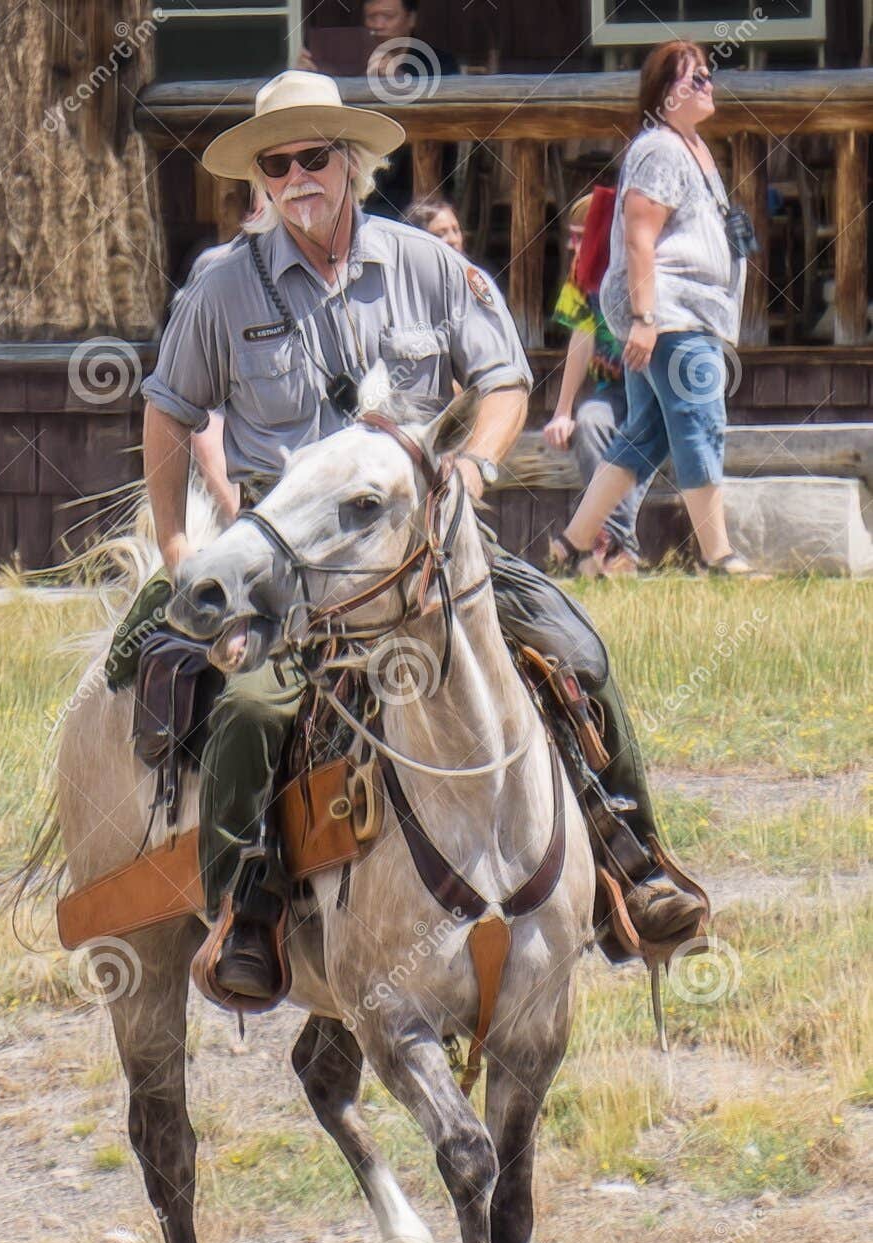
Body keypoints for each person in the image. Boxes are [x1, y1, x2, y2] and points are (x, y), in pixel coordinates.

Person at [114, 71, 707, 1004]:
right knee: (255, 710)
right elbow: (165, 413)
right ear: (260, 180)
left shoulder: (427, 264)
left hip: (430, 539)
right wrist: (178, 546)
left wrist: (472, 465)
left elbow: (505, 381)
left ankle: (633, 867)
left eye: (316, 155)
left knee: (574, 649)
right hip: (294, 560)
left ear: (350, 162)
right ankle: (247, 912)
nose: (299, 175)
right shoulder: (221, 288)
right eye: (279, 163)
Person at [548, 40, 752, 577]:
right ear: (664, 96)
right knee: (699, 420)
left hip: (682, 314)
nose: (708, 85)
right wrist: (644, 318)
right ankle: (717, 555)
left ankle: (570, 545)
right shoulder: (661, 148)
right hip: (672, 315)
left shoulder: (691, 147)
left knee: (645, 433)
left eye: (708, 75)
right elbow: (640, 235)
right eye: (694, 79)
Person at [544, 190, 645, 577]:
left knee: (637, 436)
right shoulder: (579, 276)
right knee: (590, 423)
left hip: (653, 390)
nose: (572, 246)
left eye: (579, 236)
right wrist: (563, 410)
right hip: (613, 390)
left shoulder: (631, 268)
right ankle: (619, 548)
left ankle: (604, 546)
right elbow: (581, 337)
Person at [299, 1, 457, 220]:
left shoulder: (436, 62)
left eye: (387, 16)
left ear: (411, 19)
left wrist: (399, 78)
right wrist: (305, 78)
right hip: (355, 178)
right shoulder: (349, 60)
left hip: (414, 182)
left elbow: (448, 111)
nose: (378, 25)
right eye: (371, 17)